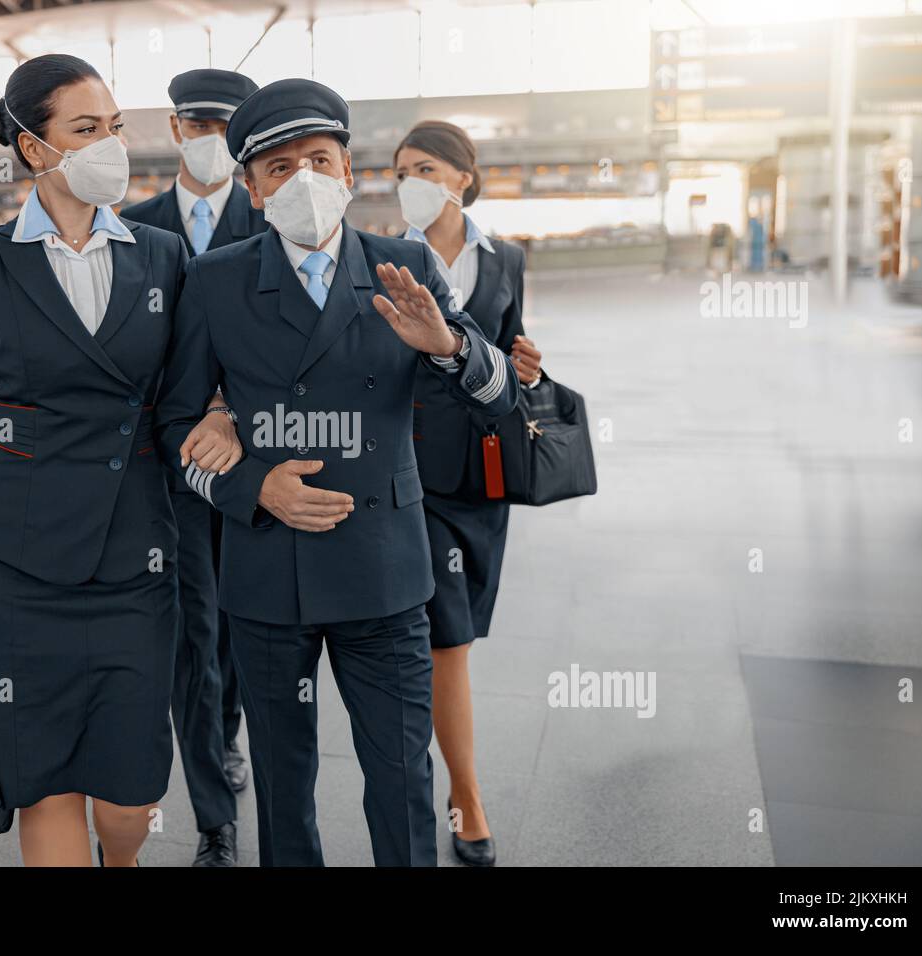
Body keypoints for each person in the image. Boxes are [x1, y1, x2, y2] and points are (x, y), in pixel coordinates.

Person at [155, 79, 520, 867]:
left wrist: (449, 348)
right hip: (264, 575)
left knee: (400, 778)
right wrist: (254, 486)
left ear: (349, 172)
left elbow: (497, 398)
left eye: (319, 160)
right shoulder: (215, 280)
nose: (305, 181)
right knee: (285, 789)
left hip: (384, 572)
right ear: (251, 188)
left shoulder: (404, 263)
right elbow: (173, 429)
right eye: (280, 168)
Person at [0, 54, 240, 867]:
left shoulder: (162, 258)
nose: (109, 145)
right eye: (86, 130)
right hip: (12, 568)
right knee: (43, 785)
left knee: (131, 797)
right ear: (32, 147)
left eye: (115, 127)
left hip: (135, 562)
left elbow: (193, 391)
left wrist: (224, 414)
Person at [120, 68, 265, 866]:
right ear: (175, 130)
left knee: (243, 627)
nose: (209, 137)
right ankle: (215, 814)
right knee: (192, 640)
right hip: (171, 471)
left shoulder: (272, 220)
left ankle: (229, 730)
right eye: (197, 123)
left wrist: (235, 414)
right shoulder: (135, 227)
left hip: (251, 465)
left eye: (225, 124)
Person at [393, 120, 544, 866]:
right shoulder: (385, 255)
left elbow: (512, 357)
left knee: (452, 639)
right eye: (398, 171)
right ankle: (465, 798)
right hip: (405, 475)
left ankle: (445, 789)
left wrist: (529, 369)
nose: (408, 182)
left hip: (481, 479)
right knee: (443, 642)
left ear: (461, 176)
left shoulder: (507, 259)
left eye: (423, 168)